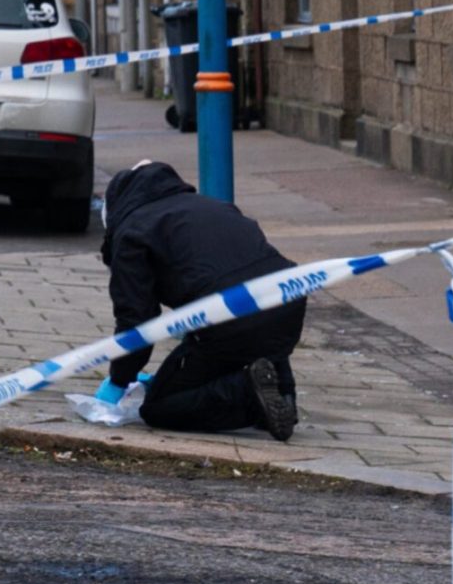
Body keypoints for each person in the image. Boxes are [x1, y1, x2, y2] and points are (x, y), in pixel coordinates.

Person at [94, 160, 302, 439]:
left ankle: (248, 393)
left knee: (159, 406)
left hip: (229, 320)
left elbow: (136, 322)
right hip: (289, 302)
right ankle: (282, 393)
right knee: (254, 333)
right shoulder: (212, 205)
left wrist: (120, 380)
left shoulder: (131, 232)